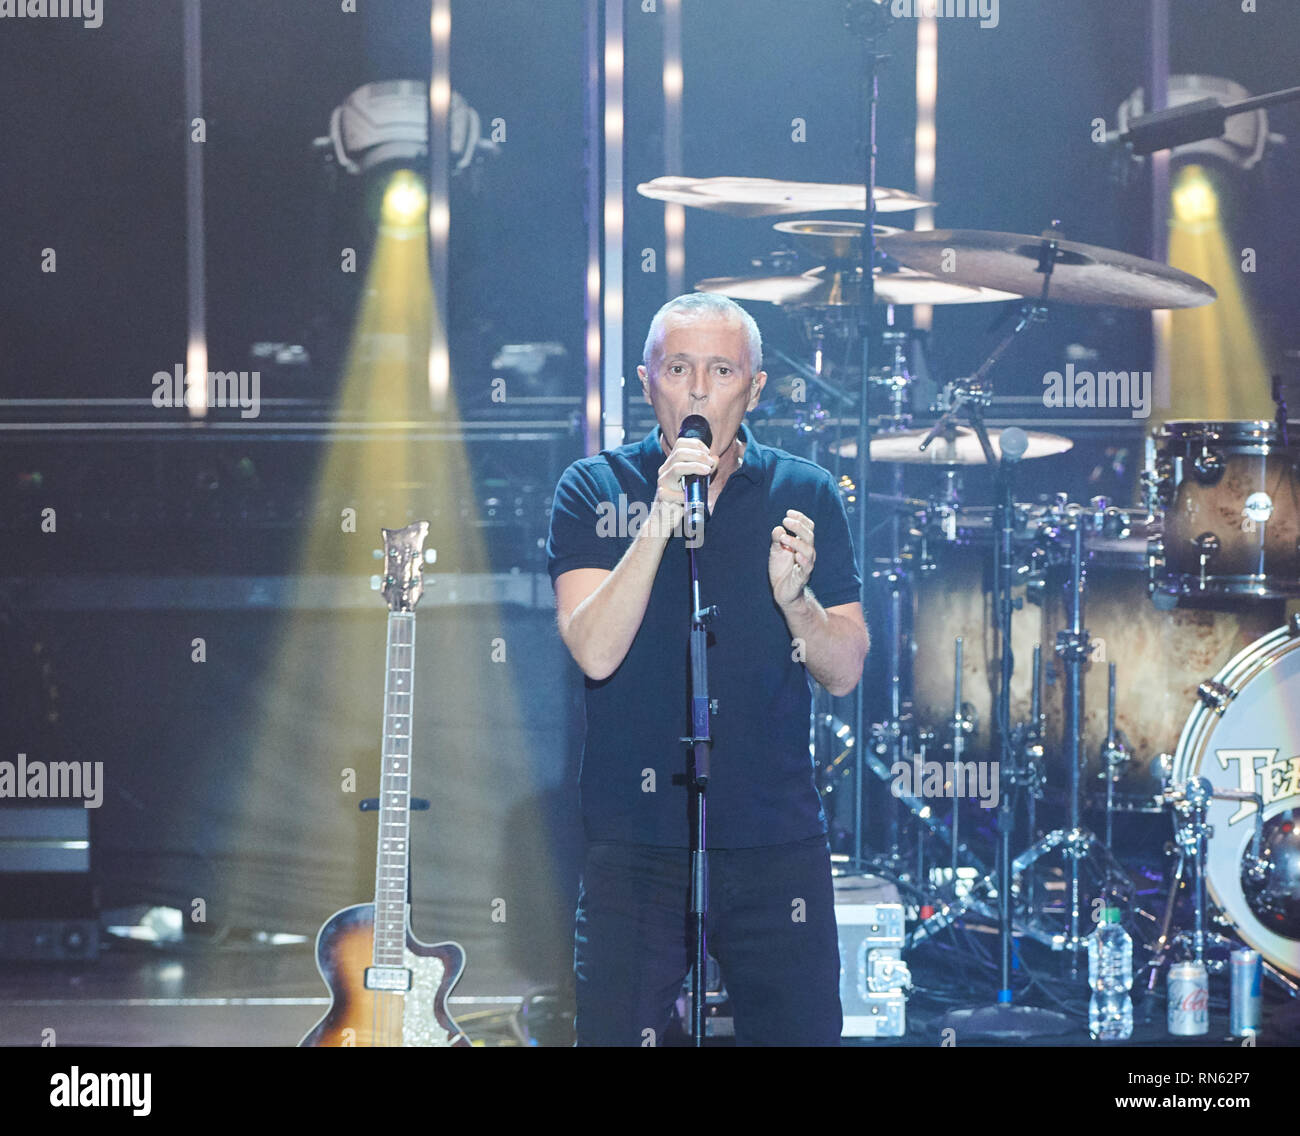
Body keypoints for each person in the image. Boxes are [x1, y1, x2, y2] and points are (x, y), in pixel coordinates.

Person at [546, 292, 869, 1046]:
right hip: (638, 837)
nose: (698, 389)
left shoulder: (806, 491)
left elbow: (846, 669)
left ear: (754, 387)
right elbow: (593, 649)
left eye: (722, 370)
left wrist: (798, 604)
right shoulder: (594, 490)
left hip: (772, 834)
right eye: (679, 368)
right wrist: (659, 516)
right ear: (647, 380)